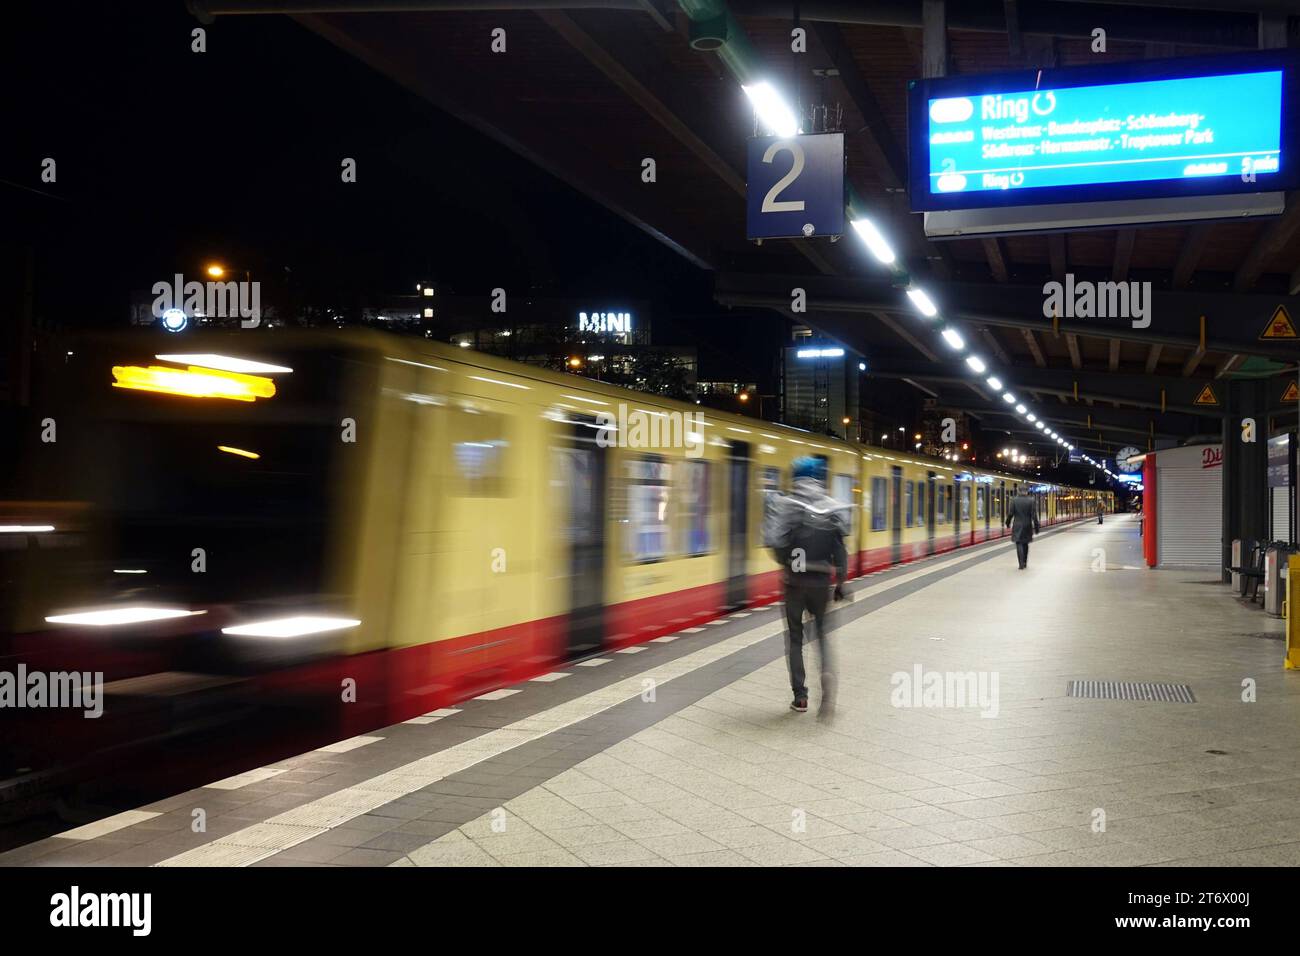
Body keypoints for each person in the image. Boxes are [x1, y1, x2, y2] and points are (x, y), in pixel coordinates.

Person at [763, 457, 850, 716]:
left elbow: (775, 543)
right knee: (822, 637)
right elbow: (840, 551)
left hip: (794, 583)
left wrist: (787, 564)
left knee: (795, 639)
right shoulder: (831, 508)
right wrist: (841, 583)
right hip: (821, 583)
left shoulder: (787, 506)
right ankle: (826, 680)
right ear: (819, 477)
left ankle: (800, 697)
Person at [1005, 490, 1041, 570]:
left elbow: (1011, 513)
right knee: (1025, 543)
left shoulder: (1014, 500)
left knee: (1019, 543)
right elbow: (1034, 515)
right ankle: (1024, 562)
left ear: (1018, 491)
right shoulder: (1031, 500)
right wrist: (1037, 527)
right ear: (1026, 492)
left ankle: (1020, 564)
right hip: (1027, 525)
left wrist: (1007, 523)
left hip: (1017, 525)